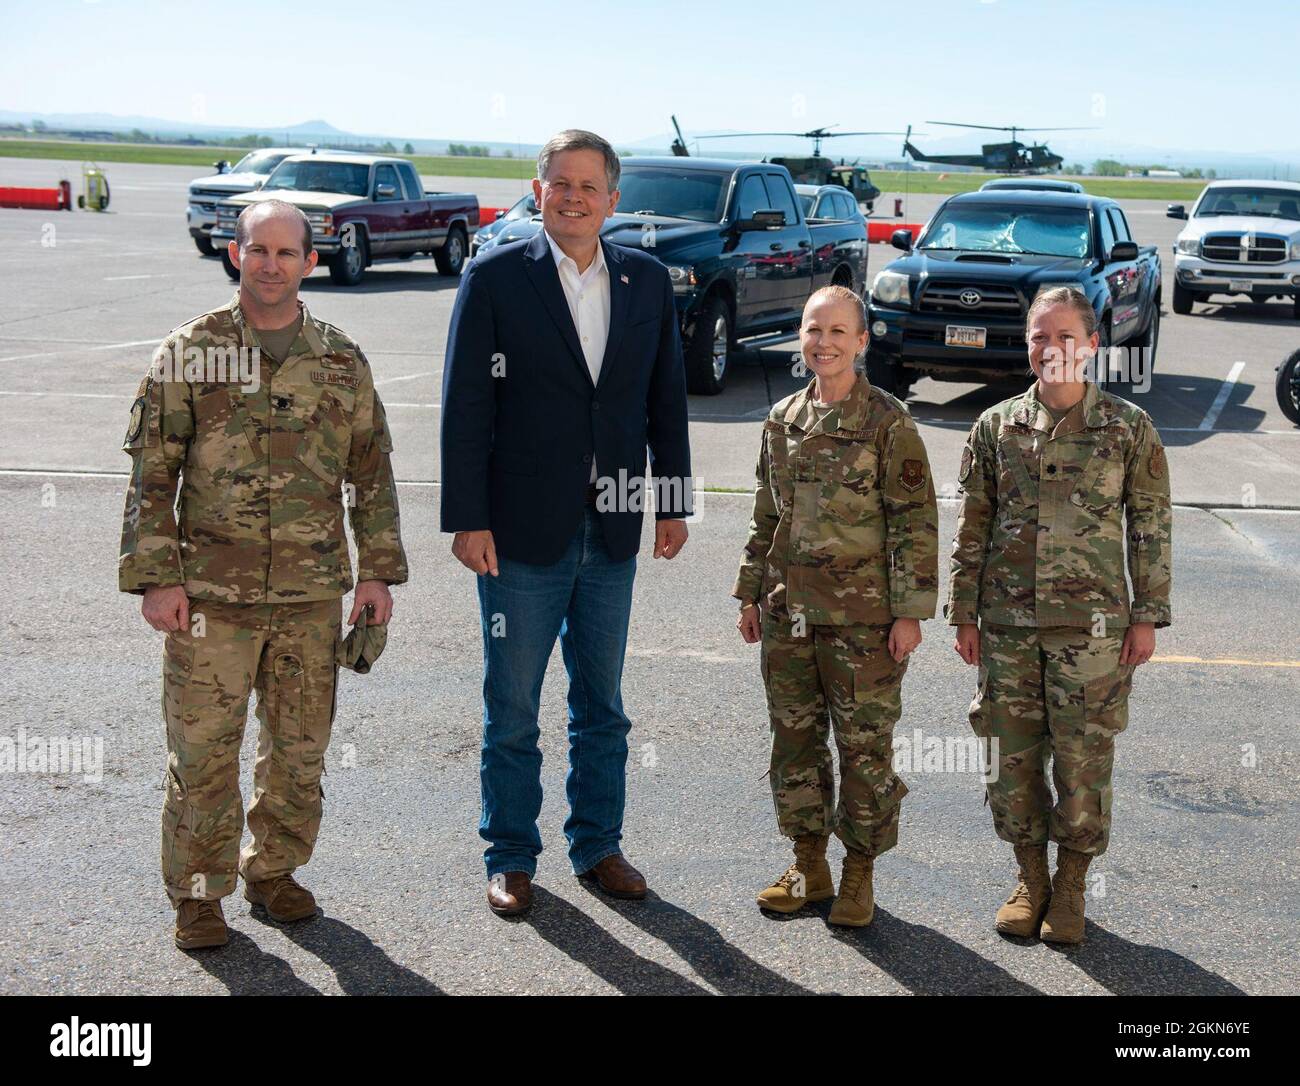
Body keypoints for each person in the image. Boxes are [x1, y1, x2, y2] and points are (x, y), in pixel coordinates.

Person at [119, 199, 407, 950]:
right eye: (258, 250)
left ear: (311, 262)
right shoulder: (192, 351)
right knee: (203, 751)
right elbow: (154, 474)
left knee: (300, 747)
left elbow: (371, 475)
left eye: (287, 252)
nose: (271, 264)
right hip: (211, 598)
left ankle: (273, 871)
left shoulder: (341, 359)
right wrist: (158, 577)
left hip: (312, 597)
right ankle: (197, 895)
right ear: (234, 255)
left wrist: (376, 576)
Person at [440, 129, 692, 918]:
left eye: (589, 186)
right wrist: (467, 517)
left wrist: (673, 498)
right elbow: (466, 408)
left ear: (613, 200)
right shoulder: (493, 279)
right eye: (560, 184)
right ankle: (511, 855)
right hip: (518, 534)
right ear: (537, 190)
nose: (574, 198)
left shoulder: (647, 281)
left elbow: (665, 399)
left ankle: (598, 846)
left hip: (613, 526)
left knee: (603, 705)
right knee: (512, 706)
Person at [948, 285, 1172, 945]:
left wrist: (1148, 614)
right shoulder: (995, 427)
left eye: (1065, 336)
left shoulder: (1128, 429)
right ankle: (1029, 879)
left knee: (1082, 762)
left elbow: (1151, 526)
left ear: (1094, 344)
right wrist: (963, 611)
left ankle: (1071, 886)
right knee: (1010, 760)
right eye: (1039, 336)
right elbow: (972, 526)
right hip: (1009, 628)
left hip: (1095, 634)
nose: (1052, 349)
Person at [734, 285, 937, 928]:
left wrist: (909, 613)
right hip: (787, 615)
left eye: (837, 331)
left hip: (863, 624)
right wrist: (748, 593)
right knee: (795, 745)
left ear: (861, 341)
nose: (823, 342)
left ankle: (859, 874)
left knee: (864, 748)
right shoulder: (784, 418)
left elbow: (915, 523)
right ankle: (809, 864)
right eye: (812, 329)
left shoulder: (888, 422)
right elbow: (768, 514)